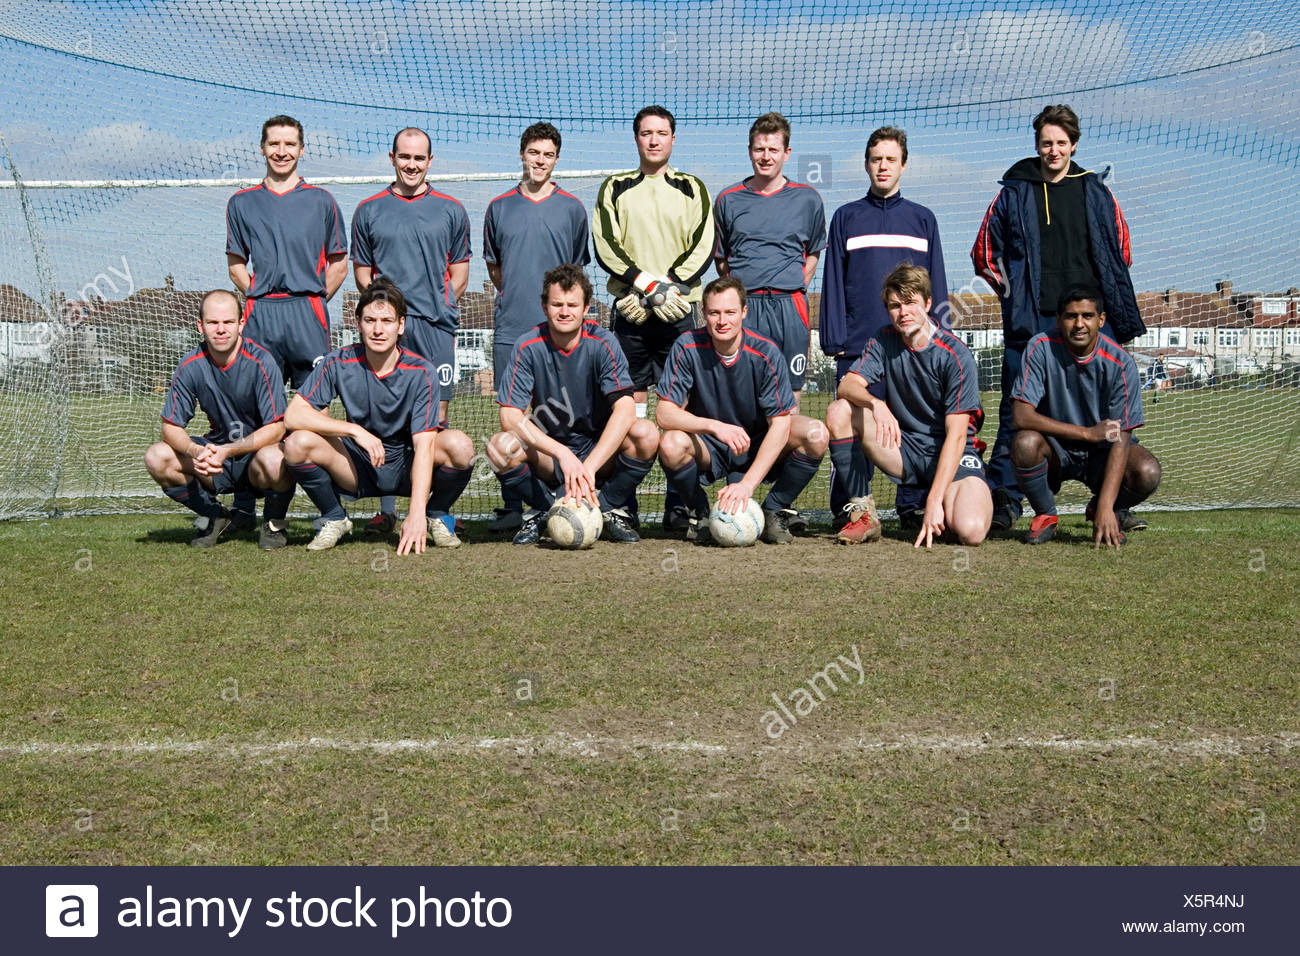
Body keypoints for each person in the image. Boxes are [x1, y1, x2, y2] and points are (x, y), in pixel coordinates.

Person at [972, 104, 1146, 532]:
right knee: (1018, 415)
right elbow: (984, 253)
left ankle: (1112, 503)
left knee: (1106, 412)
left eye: (1061, 143)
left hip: (1084, 325)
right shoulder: (1014, 190)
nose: (1054, 150)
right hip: (1031, 325)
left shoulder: (1095, 191)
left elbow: (1120, 249)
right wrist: (1015, 297)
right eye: (1046, 142)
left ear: (1074, 145)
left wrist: (1098, 305)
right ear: (1037, 145)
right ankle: (1006, 502)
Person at [281, 278, 476, 552]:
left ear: (401, 325)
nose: (378, 329)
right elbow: (293, 415)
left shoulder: (422, 372)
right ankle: (335, 518)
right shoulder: (337, 362)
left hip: (407, 463)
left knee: (461, 445)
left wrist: (415, 512)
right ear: (358, 322)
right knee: (296, 443)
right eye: (370, 320)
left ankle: (435, 515)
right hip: (357, 464)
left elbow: (424, 445)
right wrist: (354, 431)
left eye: (386, 320)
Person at [593, 105, 715, 531]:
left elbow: (704, 244)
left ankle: (678, 506)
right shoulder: (614, 187)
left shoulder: (692, 187)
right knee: (628, 407)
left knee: (679, 408)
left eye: (661, 133)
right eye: (646, 133)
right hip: (630, 312)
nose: (654, 140)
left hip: (680, 311)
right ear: (636, 138)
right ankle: (622, 505)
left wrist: (670, 289)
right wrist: (648, 288)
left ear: (673, 139)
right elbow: (606, 245)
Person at [819, 126, 946, 532]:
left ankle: (913, 505)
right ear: (866, 164)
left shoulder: (923, 219)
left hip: (911, 349)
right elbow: (833, 284)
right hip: (860, 348)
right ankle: (852, 509)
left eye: (891, 159)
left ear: (904, 165)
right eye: (876, 159)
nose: (883, 166)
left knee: (914, 426)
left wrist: (934, 335)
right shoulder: (847, 217)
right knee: (850, 424)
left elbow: (936, 286)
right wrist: (836, 340)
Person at [225, 114, 347, 529]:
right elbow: (236, 264)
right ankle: (245, 504)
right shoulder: (242, 202)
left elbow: (339, 263)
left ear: (301, 149)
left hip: (307, 314)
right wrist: (257, 294)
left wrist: (312, 298)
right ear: (262, 148)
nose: (281, 151)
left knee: (313, 415)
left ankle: (321, 512)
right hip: (261, 313)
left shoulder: (322, 201)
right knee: (255, 412)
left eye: (289, 144)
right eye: (274, 144)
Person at [349, 127, 471, 534]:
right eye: (405, 157)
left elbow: (460, 274)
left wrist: (436, 306)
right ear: (392, 158)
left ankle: (434, 512)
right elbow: (363, 275)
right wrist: (387, 317)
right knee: (386, 417)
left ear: (430, 161)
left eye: (420, 158)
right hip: (391, 327)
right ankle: (386, 510)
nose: (412, 164)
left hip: (434, 329)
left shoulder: (451, 209)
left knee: (435, 419)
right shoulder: (368, 210)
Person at [486, 264, 658, 545]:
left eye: (572, 305)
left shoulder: (604, 343)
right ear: (544, 306)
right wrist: (562, 454)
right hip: (551, 454)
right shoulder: (527, 345)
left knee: (647, 434)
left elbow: (625, 409)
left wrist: (588, 467)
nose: (564, 311)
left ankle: (606, 507)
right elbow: (509, 416)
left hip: (598, 454)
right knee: (499, 447)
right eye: (557, 304)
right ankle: (545, 509)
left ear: (586, 307)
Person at [825, 264, 991, 548]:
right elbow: (846, 385)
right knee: (839, 410)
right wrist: (875, 404)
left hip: (952, 455)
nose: (903, 313)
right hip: (906, 450)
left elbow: (957, 436)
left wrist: (934, 500)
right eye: (894, 305)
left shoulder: (955, 355)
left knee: (971, 532)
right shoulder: (884, 339)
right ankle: (864, 515)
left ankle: (965, 499)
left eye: (911, 303)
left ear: (927, 303)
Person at [655, 276, 827, 545]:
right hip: (710, 444)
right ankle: (700, 513)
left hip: (756, 442)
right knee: (670, 443)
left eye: (730, 312)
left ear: (744, 312)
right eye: (714, 313)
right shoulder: (687, 346)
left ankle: (774, 510)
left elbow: (781, 424)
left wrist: (748, 485)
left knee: (816, 434)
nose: (722, 321)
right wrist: (715, 426)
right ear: (703, 313)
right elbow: (664, 413)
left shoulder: (765, 352)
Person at [483, 122, 591, 533]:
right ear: (522, 154)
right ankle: (516, 506)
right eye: (533, 153)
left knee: (561, 411)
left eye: (547, 154)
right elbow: (496, 269)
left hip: (560, 332)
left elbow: (574, 273)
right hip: (513, 326)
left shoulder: (572, 209)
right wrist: (519, 297)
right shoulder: (498, 208)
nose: (540, 161)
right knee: (512, 416)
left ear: (556, 159)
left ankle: (565, 494)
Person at [1010, 286, 1161, 549]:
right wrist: (1086, 433)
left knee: (1147, 471)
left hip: (1102, 455)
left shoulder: (1120, 363)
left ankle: (1104, 509)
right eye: (1071, 316)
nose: (1079, 324)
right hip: (1056, 450)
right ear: (1058, 319)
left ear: (1101, 320)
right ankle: (1046, 514)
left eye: (1087, 316)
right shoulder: (1040, 347)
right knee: (1024, 444)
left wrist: (1105, 507)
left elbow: (1121, 440)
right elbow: (1021, 416)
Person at [144, 289, 294, 549]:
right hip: (215, 458)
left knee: (277, 457)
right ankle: (216, 516)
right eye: (213, 322)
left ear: (241, 323)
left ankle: (273, 523)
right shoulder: (190, 364)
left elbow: (278, 428)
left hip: (256, 457)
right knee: (157, 457)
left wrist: (230, 450)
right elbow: (170, 427)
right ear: (200, 325)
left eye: (228, 322)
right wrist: (196, 450)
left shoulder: (261, 361)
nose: (221, 329)